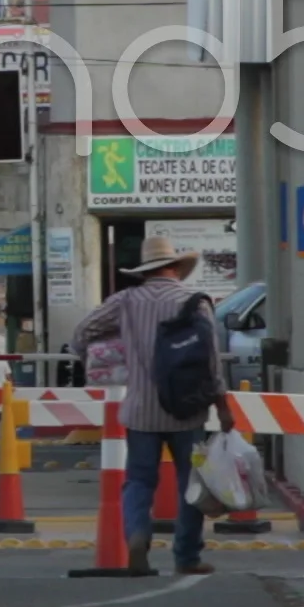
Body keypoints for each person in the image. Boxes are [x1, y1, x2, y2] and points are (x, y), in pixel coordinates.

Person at [72, 237, 231, 576]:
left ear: (145, 271)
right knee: (191, 483)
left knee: (139, 481)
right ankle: (187, 557)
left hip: (140, 409)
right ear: (176, 268)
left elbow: (82, 333)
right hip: (187, 410)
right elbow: (212, 361)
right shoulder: (194, 302)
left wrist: (108, 353)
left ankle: (137, 536)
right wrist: (222, 404)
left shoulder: (126, 300)